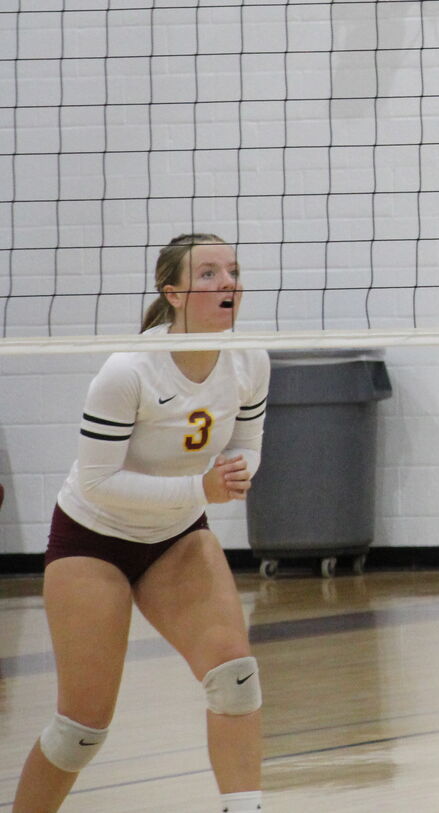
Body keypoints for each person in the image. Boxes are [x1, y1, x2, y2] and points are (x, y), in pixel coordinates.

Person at [12, 233, 270, 813]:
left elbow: (248, 443)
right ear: (173, 292)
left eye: (232, 270)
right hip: (93, 540)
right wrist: (200, 487)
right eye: (208, 274)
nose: (227, 282)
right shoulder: (128, 371)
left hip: (177, 537)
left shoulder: (250, 355)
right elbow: (99, 480)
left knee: (235, 678)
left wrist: (235, 473)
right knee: (82, 727)